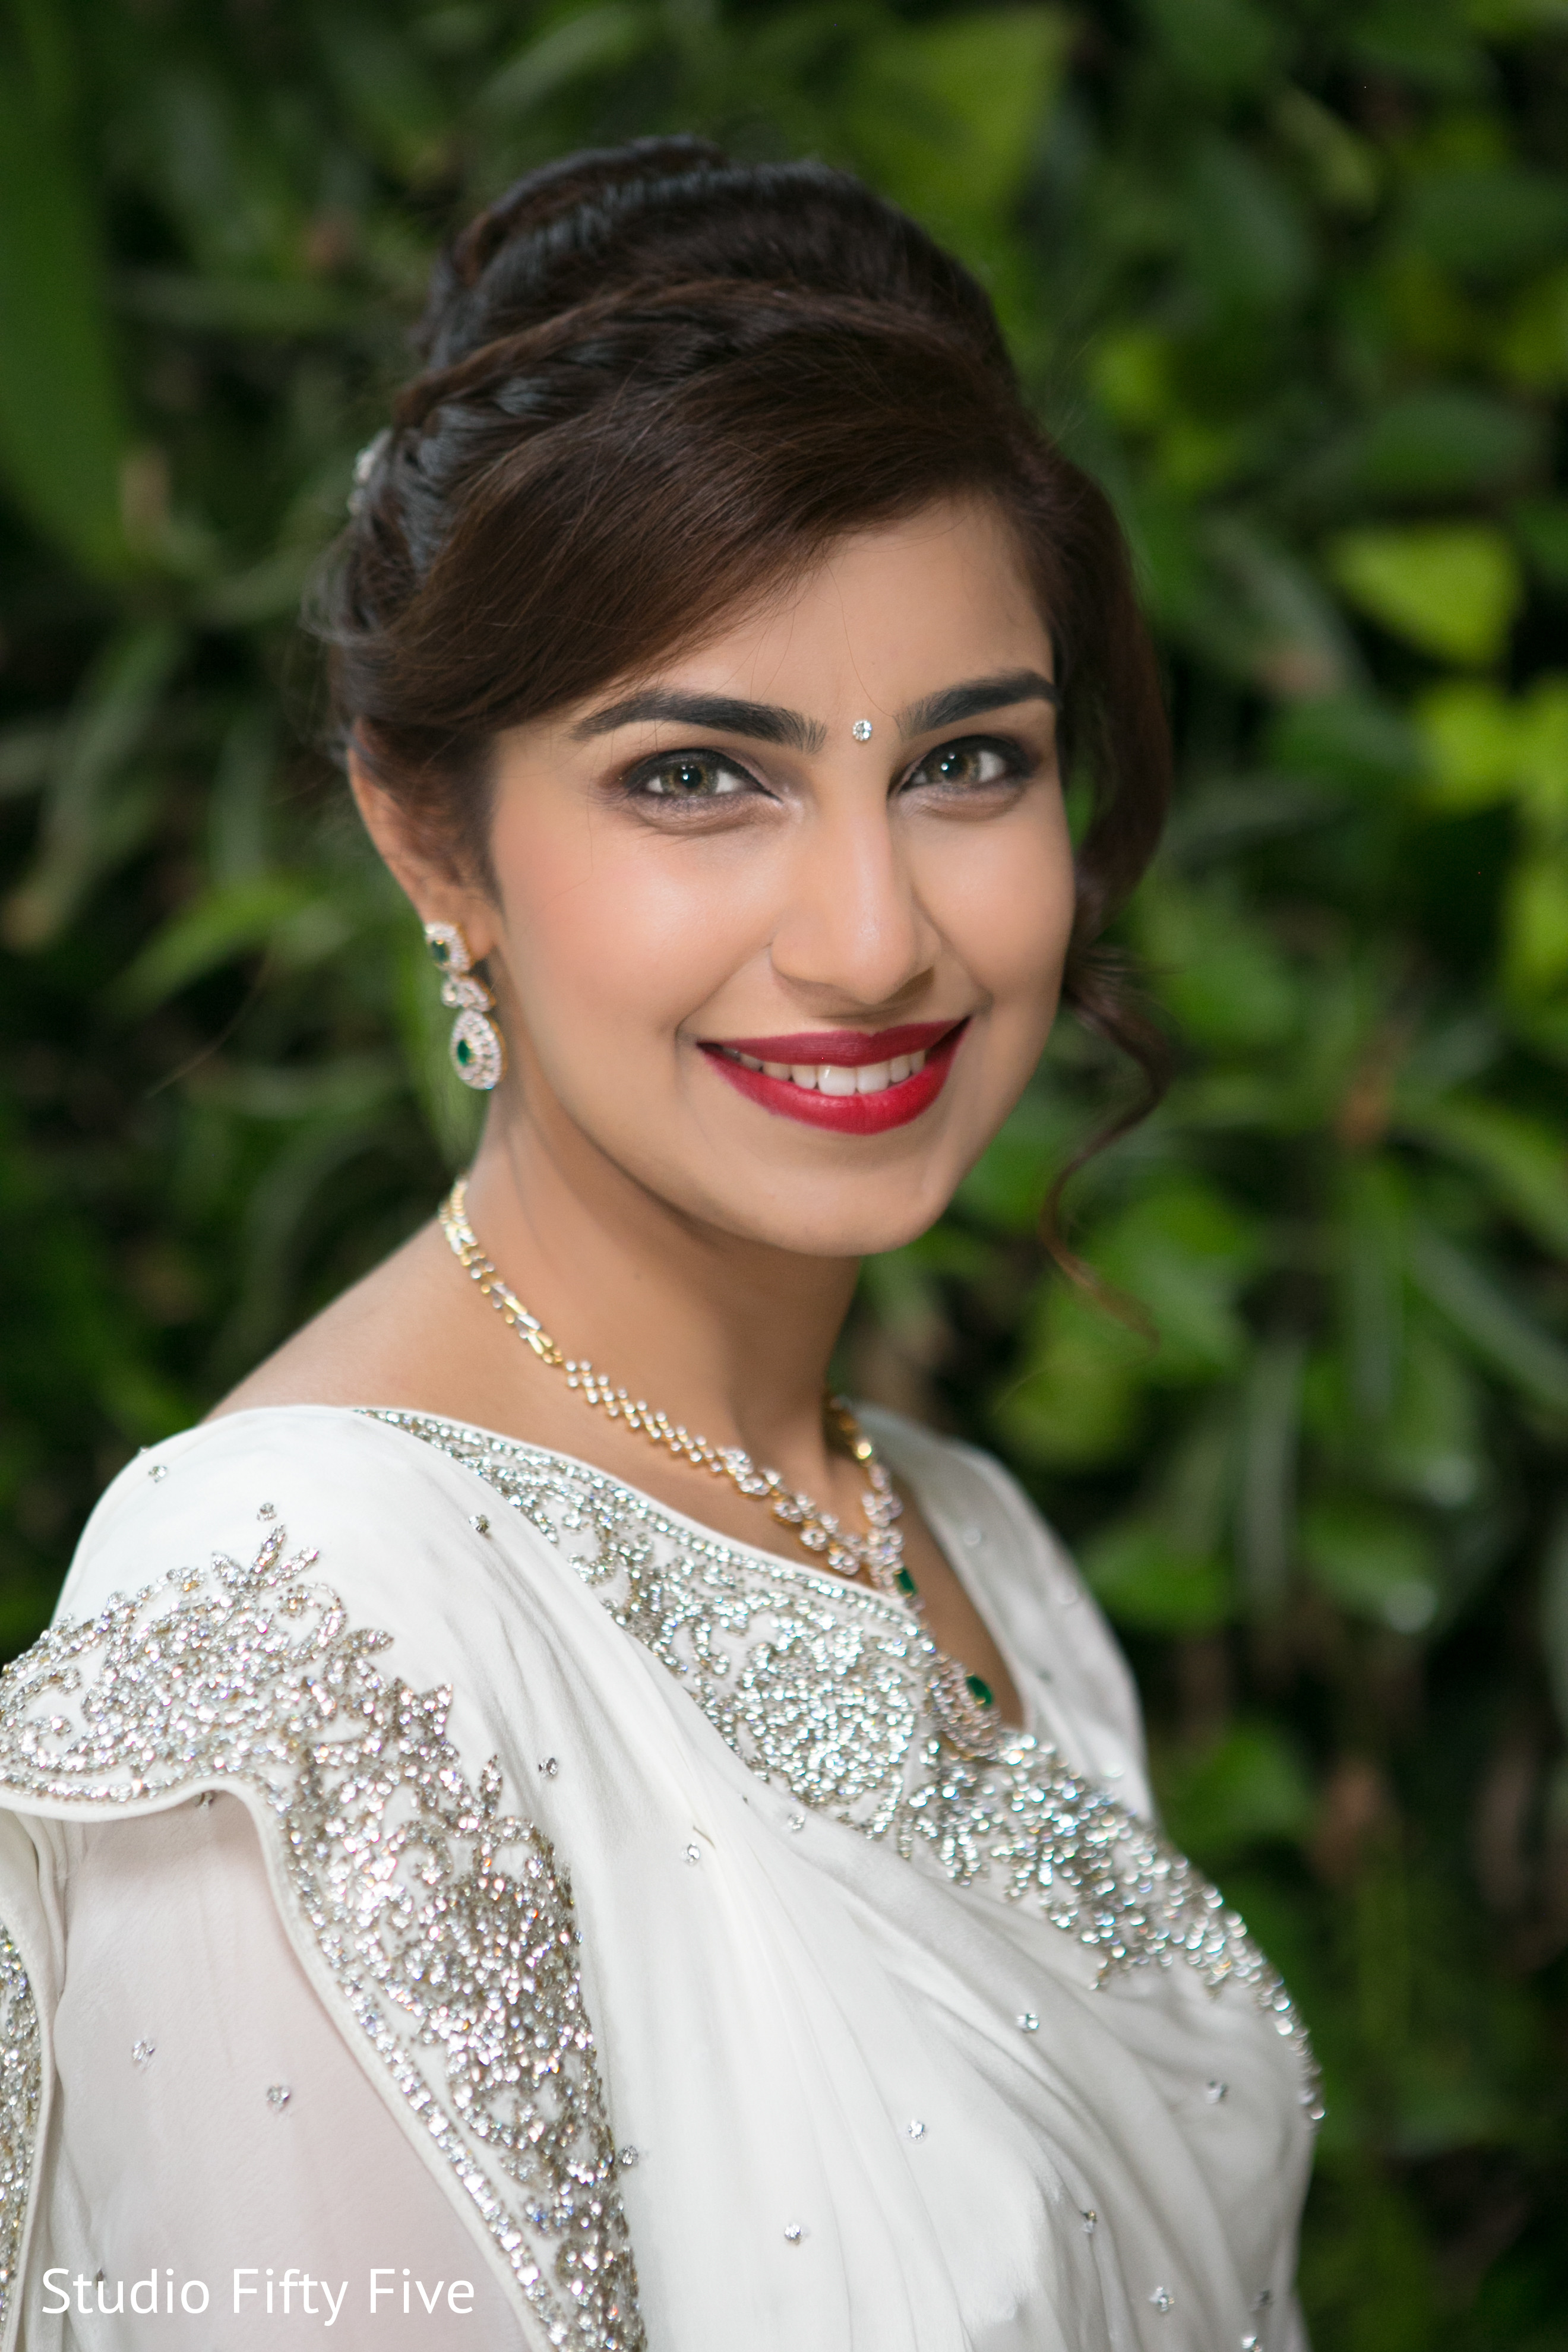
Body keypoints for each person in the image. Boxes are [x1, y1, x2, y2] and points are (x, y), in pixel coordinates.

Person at [0, 139, 1317, 2351]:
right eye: (703, 776)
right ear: (432, 832)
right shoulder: (295, 1615)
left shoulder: (974, 1546)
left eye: (970, 764)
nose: (877, 935)